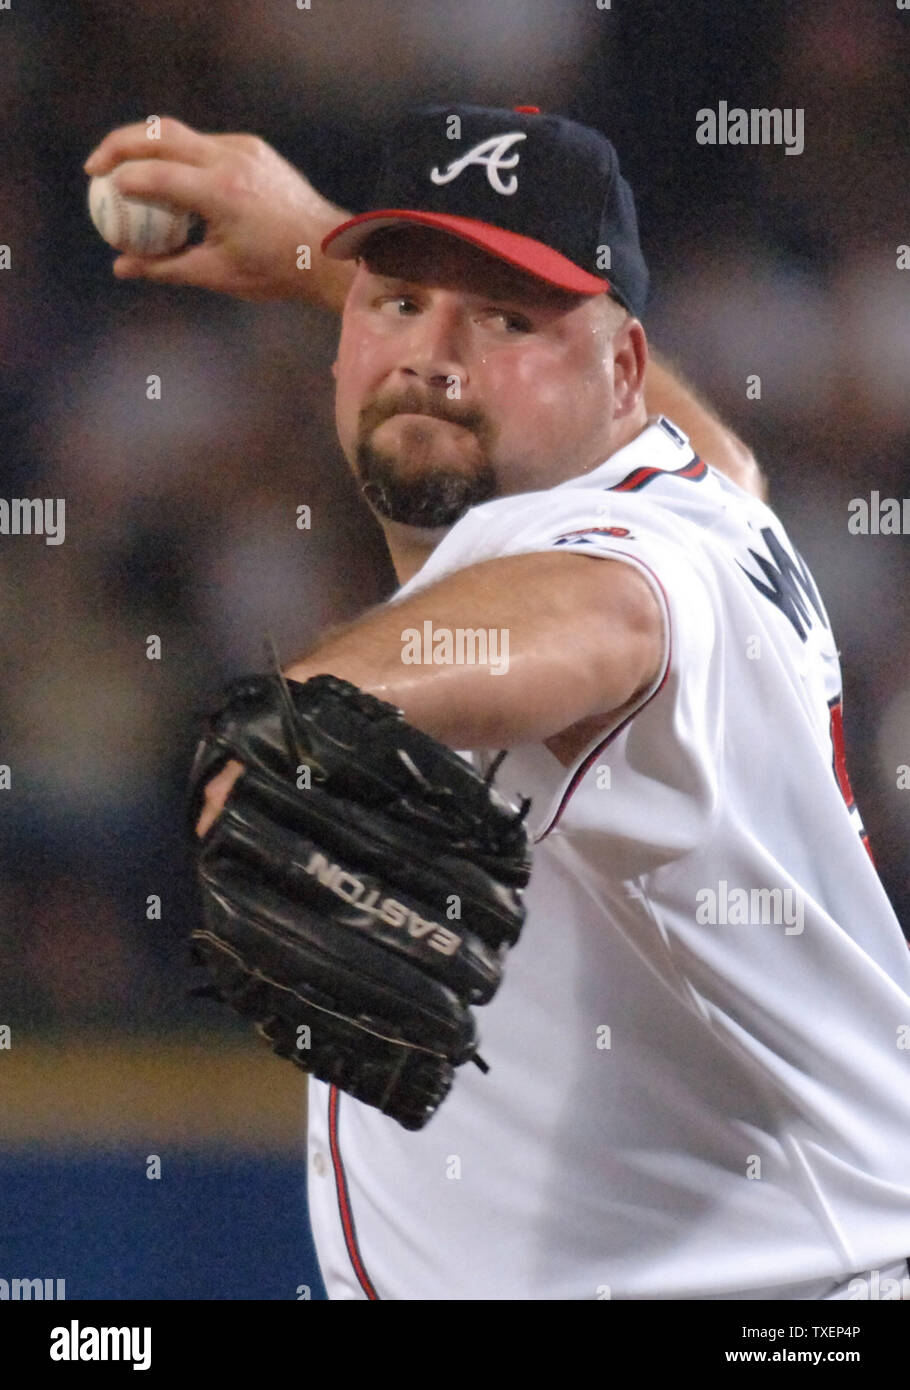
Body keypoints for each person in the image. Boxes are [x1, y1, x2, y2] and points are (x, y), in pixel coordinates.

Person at [86, 105, 910, 1301]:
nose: (434, 356)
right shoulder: (704, 492)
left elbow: (595, 619)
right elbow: (723, 451)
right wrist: (321, 249)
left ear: (621, 372)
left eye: (509, 318)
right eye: (398, 300)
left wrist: (315, 706)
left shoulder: (634, 569)